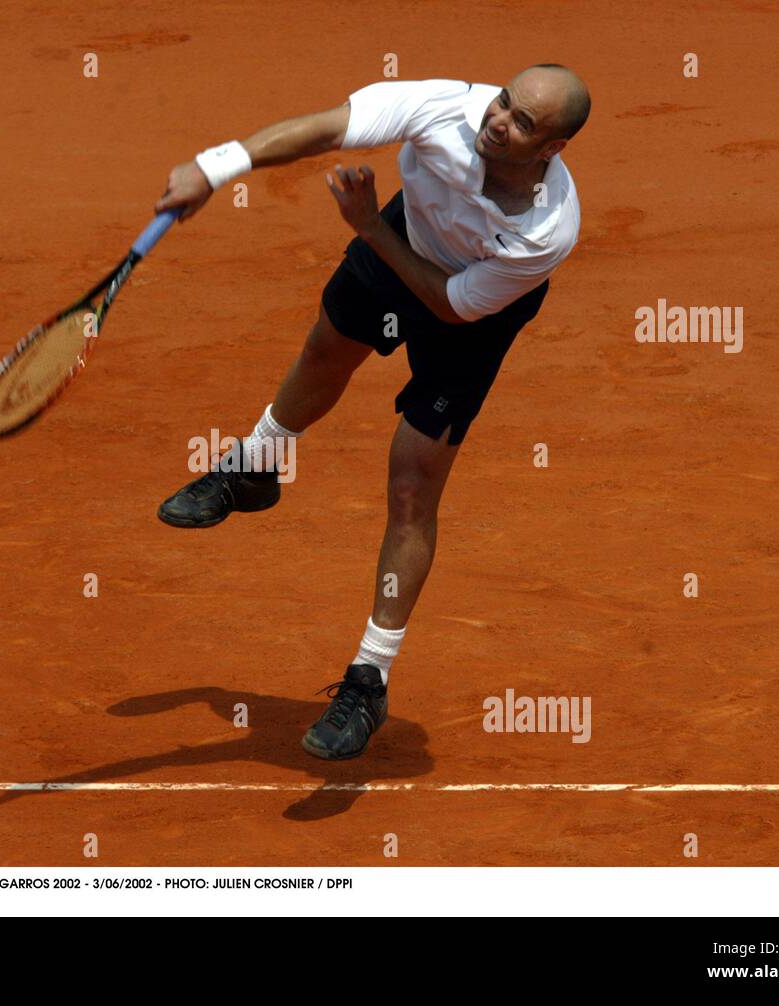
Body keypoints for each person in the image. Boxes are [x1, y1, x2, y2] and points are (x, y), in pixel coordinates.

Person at [154, 66, 590, 760]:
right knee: (327, 351)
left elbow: (451, 305)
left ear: (551, 149)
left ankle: (369, 678)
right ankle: (254, 469)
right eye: (505, 101)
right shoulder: (441, 106)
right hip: (400, 242)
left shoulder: (546, 232)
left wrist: (366, 227)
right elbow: (327, 128)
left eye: (524, 124)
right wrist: (217, 168)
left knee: (413, 483)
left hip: (468, 310)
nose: (499, 120)